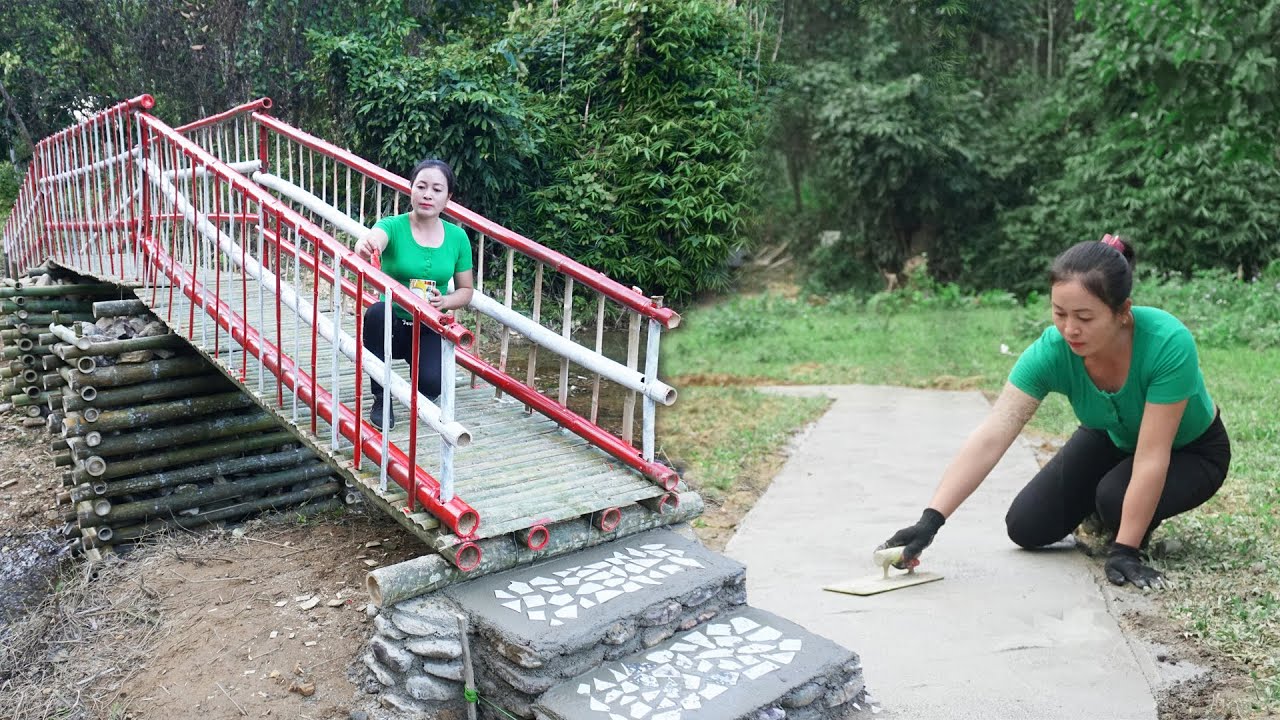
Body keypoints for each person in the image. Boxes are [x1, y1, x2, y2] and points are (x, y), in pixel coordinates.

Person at [878, 235, 1231, 589]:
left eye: (1085, 317)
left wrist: (1125, 549)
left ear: (1123, 311)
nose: (1070, 329)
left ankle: (1116, 514)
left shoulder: (1167, 342)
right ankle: (1101, 505)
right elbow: (994, 433)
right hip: (1113, 438)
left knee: (1114, 500)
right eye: (1059, 313)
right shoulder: (1051, 350)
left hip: (1191, 451)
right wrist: (931, 521)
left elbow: (1153, 455)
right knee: (1026, 526)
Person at [353, 158, 474, 431]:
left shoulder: (458, 238)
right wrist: (366, 245)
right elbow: (373, 239)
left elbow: (466, 291)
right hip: (391, 325)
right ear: (411, 190)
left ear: (448, 198)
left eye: (436, 189)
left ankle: (419, 380)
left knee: (431, 384)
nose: (427, 194)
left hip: (431, 325)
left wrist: (445, 302)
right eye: (421, 186)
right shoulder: (393, 226)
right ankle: (381, 397)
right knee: (376, 313)